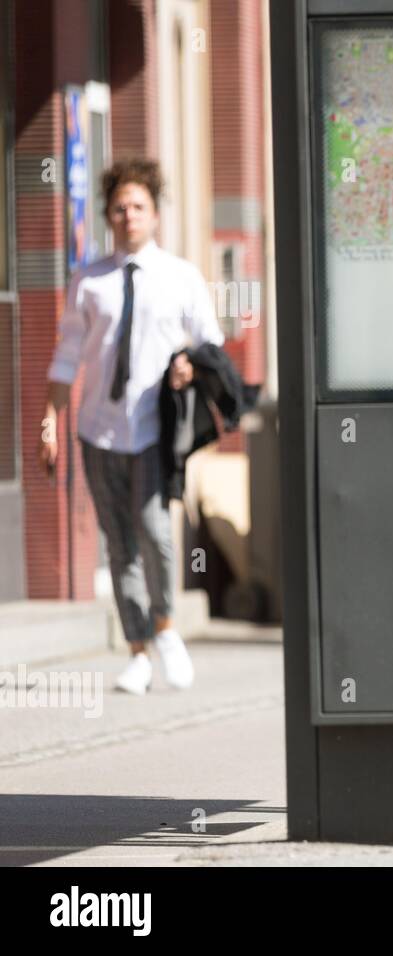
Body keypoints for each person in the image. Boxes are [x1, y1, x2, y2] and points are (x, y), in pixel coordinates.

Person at [39, 158, 224, 695]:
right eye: (119, 208)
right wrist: (50, 420)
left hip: (152, 430)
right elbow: (65, 357)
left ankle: (166, 627)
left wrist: (189, 361)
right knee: (118, 543)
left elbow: (208, 342)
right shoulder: (89, 280)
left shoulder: (181, 276)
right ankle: (138, 650)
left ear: (155, 215)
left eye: (138, 206)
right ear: (108, 216)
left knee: (155, 532)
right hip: (98, 428)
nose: (128, 215)